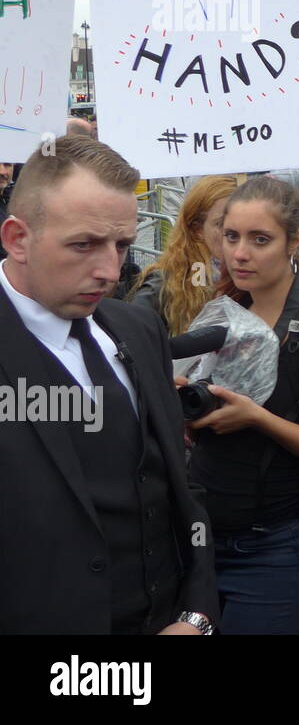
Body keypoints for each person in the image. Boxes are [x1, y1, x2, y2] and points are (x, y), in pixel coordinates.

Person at [0, 135, 218, 634]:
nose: (109, 270)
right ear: (17, 238)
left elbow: (180, 488)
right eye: (83, 244)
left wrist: (198, 615)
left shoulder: (139, 331)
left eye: (122, 244)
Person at [187, 175, 299, 634]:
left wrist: (258, 418)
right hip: (199, 537)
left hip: (272, 550)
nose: (240, 253)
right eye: (231, 237)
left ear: (295, 240)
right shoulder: (224, 307)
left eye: (260, 239)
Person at [131, 175, 237, 335]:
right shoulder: (164, 286)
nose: (235, 234)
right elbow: (133, 339)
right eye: (222, 224)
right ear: (198, 229)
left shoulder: (255, 281)